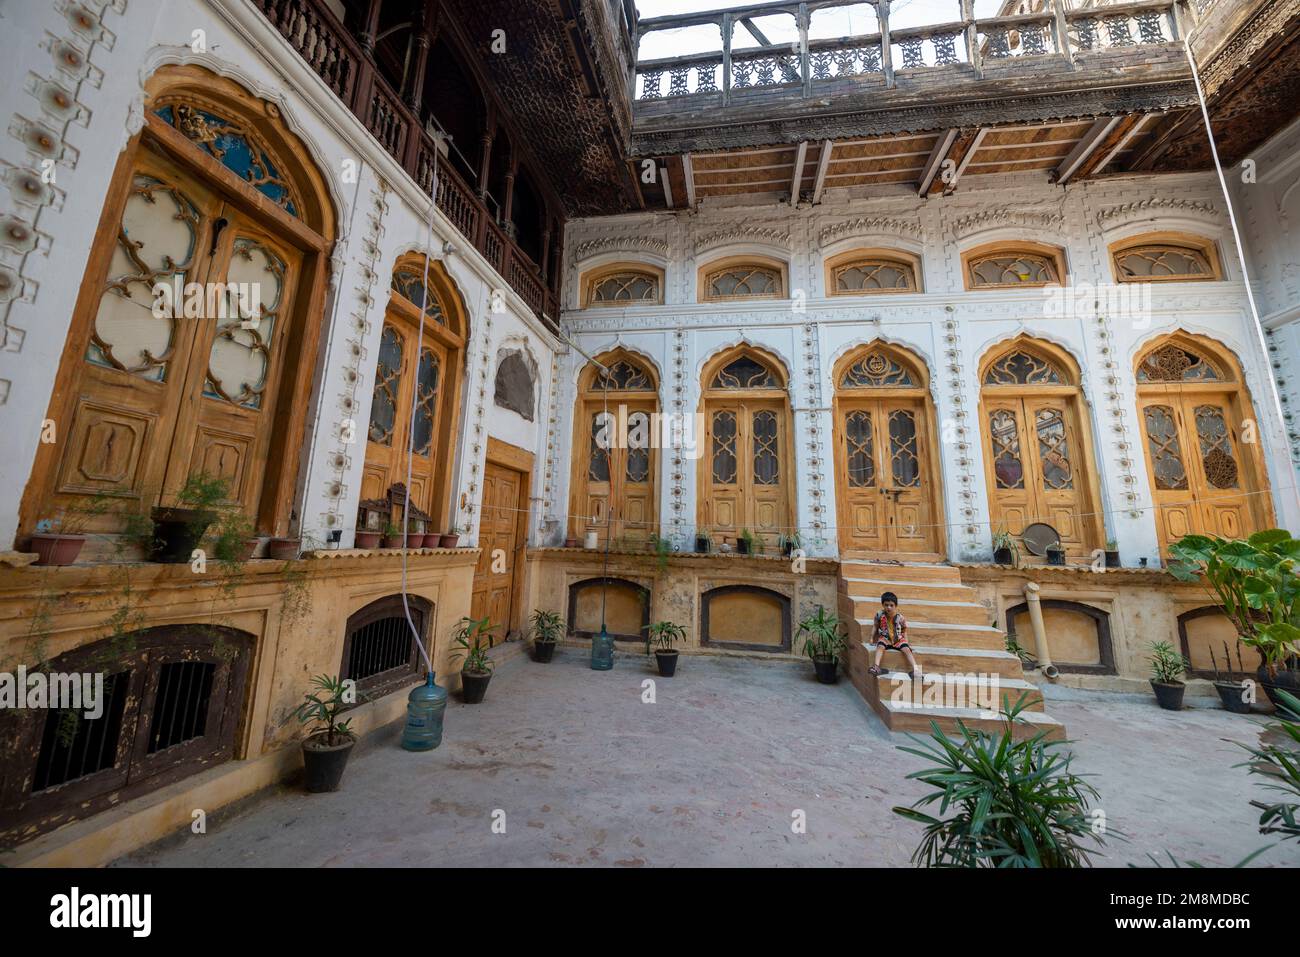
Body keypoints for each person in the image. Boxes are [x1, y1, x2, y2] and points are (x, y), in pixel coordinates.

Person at [867, 591, 920, 678]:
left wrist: (907, 643)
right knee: (880, 647)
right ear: (882, 605)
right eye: (886, 605)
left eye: (891, 605)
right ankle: (876, 667)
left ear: (895, 606)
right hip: (885, 638)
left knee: (907, 650)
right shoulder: (879, 615)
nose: (889, 607)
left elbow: (904, 631)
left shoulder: (900, 618)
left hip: (898, 639)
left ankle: (916, 670)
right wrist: (871, 638)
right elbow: (875, 626)